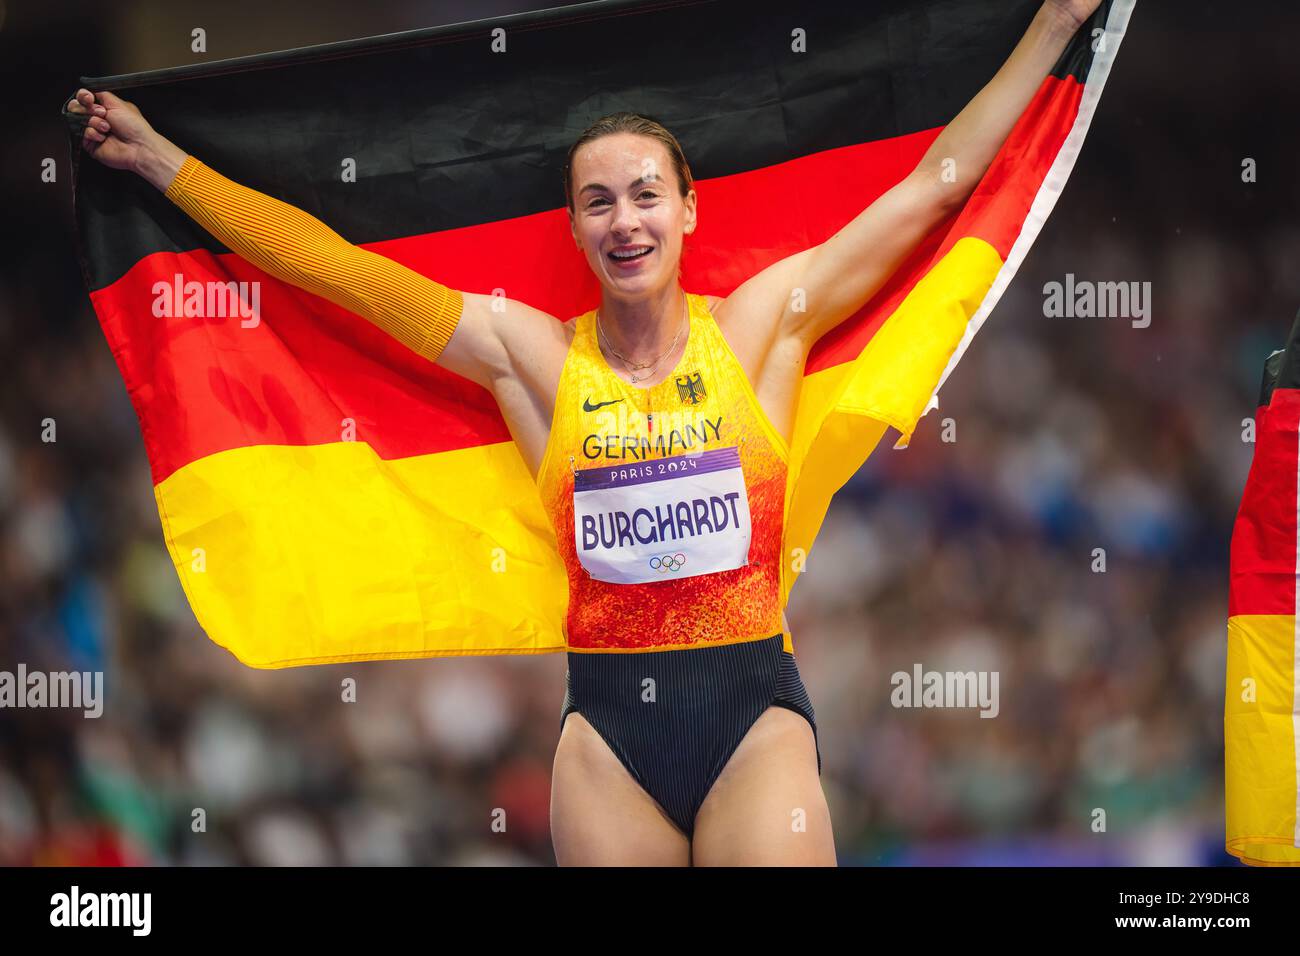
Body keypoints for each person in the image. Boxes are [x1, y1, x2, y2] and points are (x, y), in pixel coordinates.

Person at [68, 0, 1102, 866]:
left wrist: (1054, 20)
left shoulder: (762, 324)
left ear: (689, 211)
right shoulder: (529, 357)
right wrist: (167, 168)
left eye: (647, 194)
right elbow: (338, 270)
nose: (625, 221)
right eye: (597, 202)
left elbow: (935, 185)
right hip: (608, 737)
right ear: (571, 228)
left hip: (752, 715)